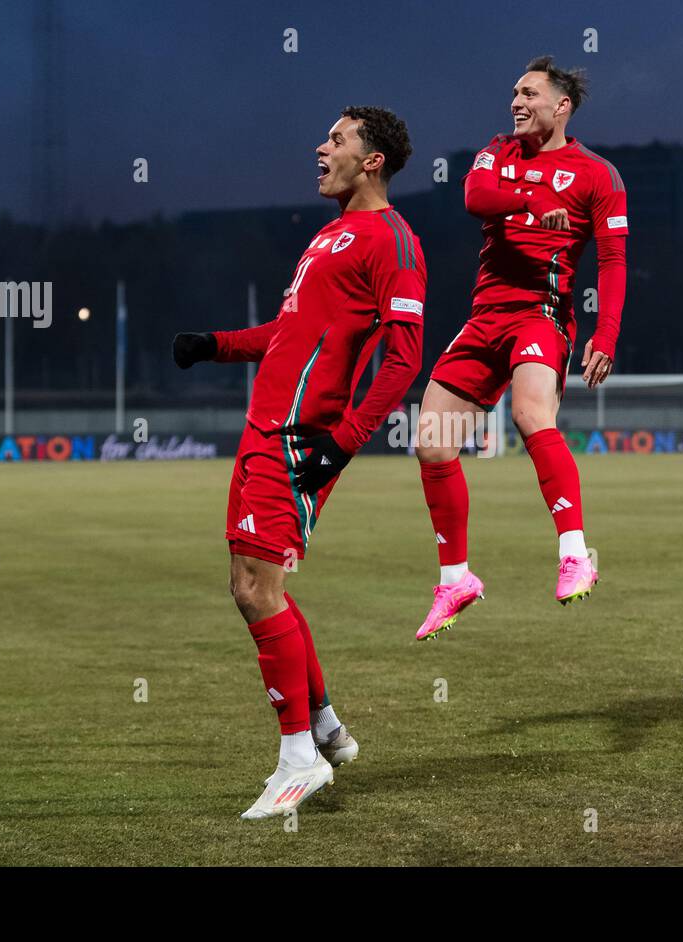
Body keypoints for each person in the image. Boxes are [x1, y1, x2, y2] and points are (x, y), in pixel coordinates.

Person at [172, 106, 425, 818]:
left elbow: (404, 356)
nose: (321, 147)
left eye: (337, 139)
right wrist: (217, 345)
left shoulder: (393, 242)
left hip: (297, 437)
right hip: (264, 427)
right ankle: (323, 727)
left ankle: (297, 760)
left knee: (258, 591)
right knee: (250, 583)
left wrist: (345, 438)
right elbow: (290, 333)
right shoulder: (331, 233)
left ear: (372, 160)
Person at [413, 55, 628, 640]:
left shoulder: (596, 174)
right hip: (485, 316)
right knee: (431, 443)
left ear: (562, 105)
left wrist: (604, 335)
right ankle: (456, 578)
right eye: (513, 91)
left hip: (541, 311)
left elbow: (612, 261)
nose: (516, 101)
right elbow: (476, 197)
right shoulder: (497, 152)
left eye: (529, 93)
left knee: (531, 413)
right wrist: (531, 204)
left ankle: (576, 552)